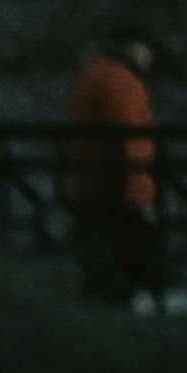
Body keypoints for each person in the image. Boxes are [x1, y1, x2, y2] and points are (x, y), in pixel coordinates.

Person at [69, 33, 161, 306]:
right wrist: (134, 195)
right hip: (120, 186)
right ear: (134, 48)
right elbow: (125, 138)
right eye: (148, 50)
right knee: (126, 256)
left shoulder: (93, 76)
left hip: (91, 181)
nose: (151, 58)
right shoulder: (123, 82)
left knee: (99, 254)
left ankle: (102, 305)